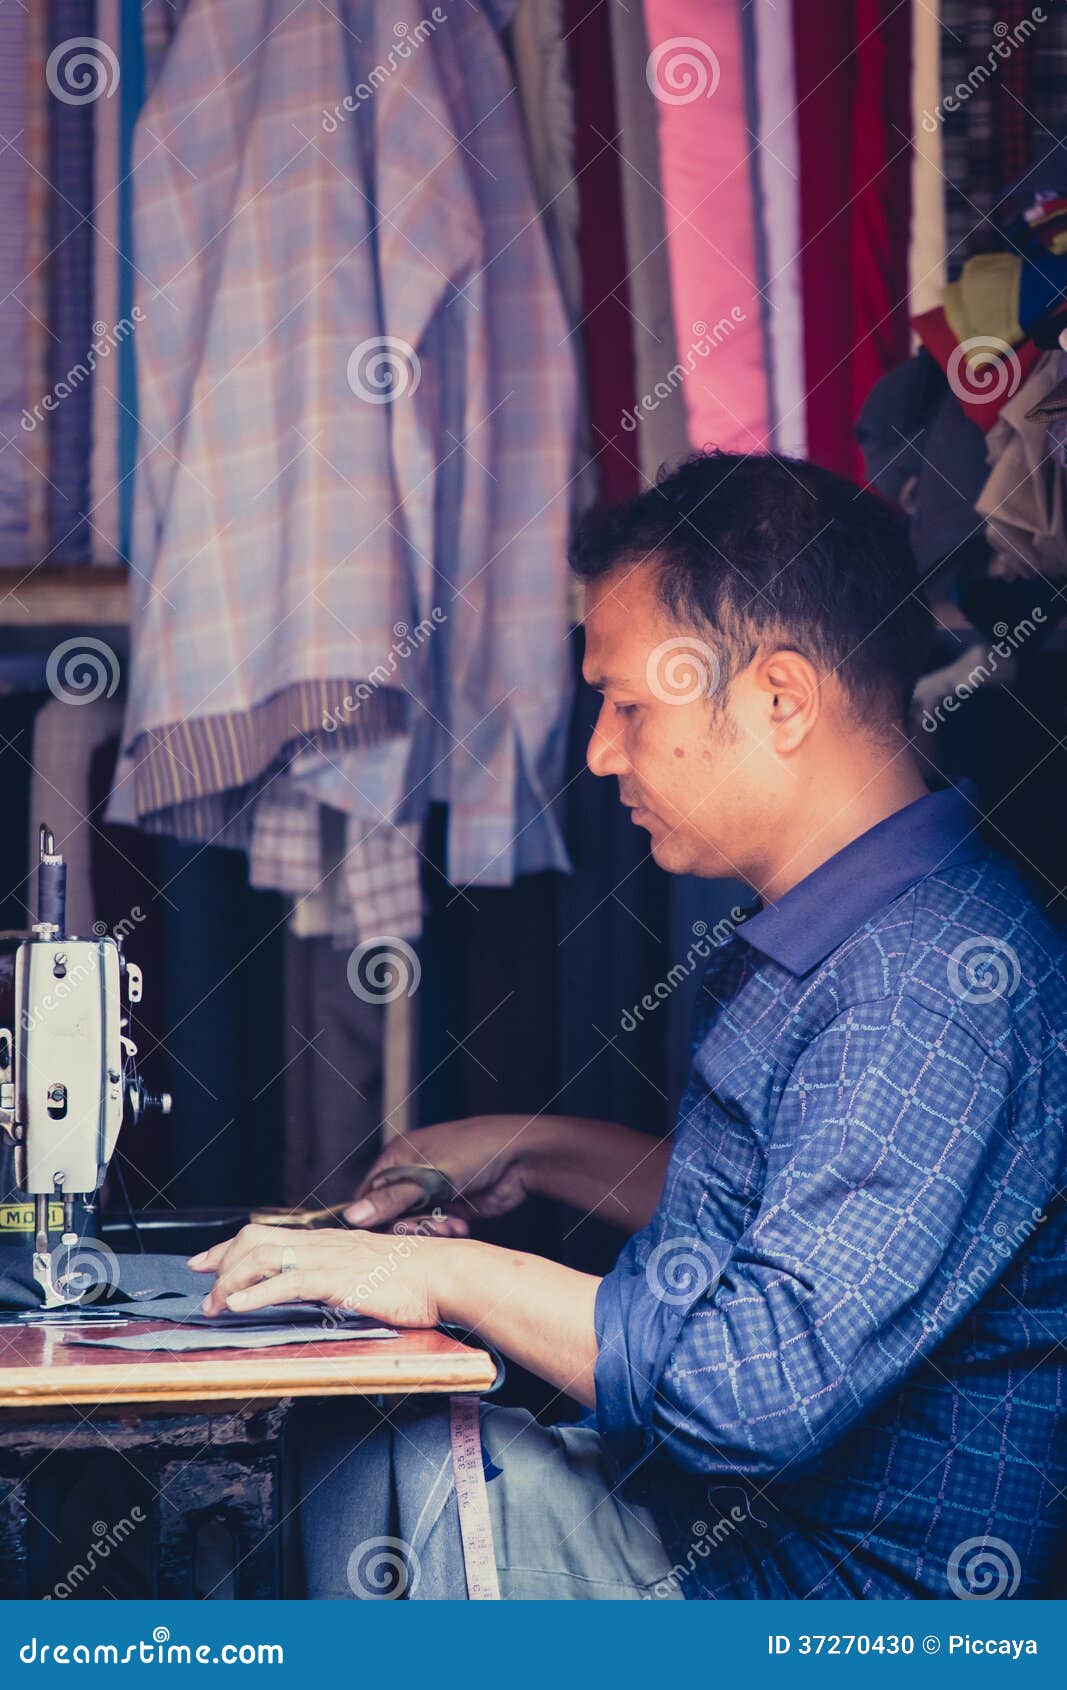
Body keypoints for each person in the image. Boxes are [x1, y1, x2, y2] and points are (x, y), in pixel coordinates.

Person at [190, 453, 1067, 1599]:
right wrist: (532, 1147)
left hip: (816, 1610)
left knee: (380, 1461)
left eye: (628, 704)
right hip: (725, 1545)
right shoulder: (838, 931)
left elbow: (743, 1385)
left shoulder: (922, 988)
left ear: (780, 699)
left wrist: (433, 1278)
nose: (601, 750)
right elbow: (783, 1215)